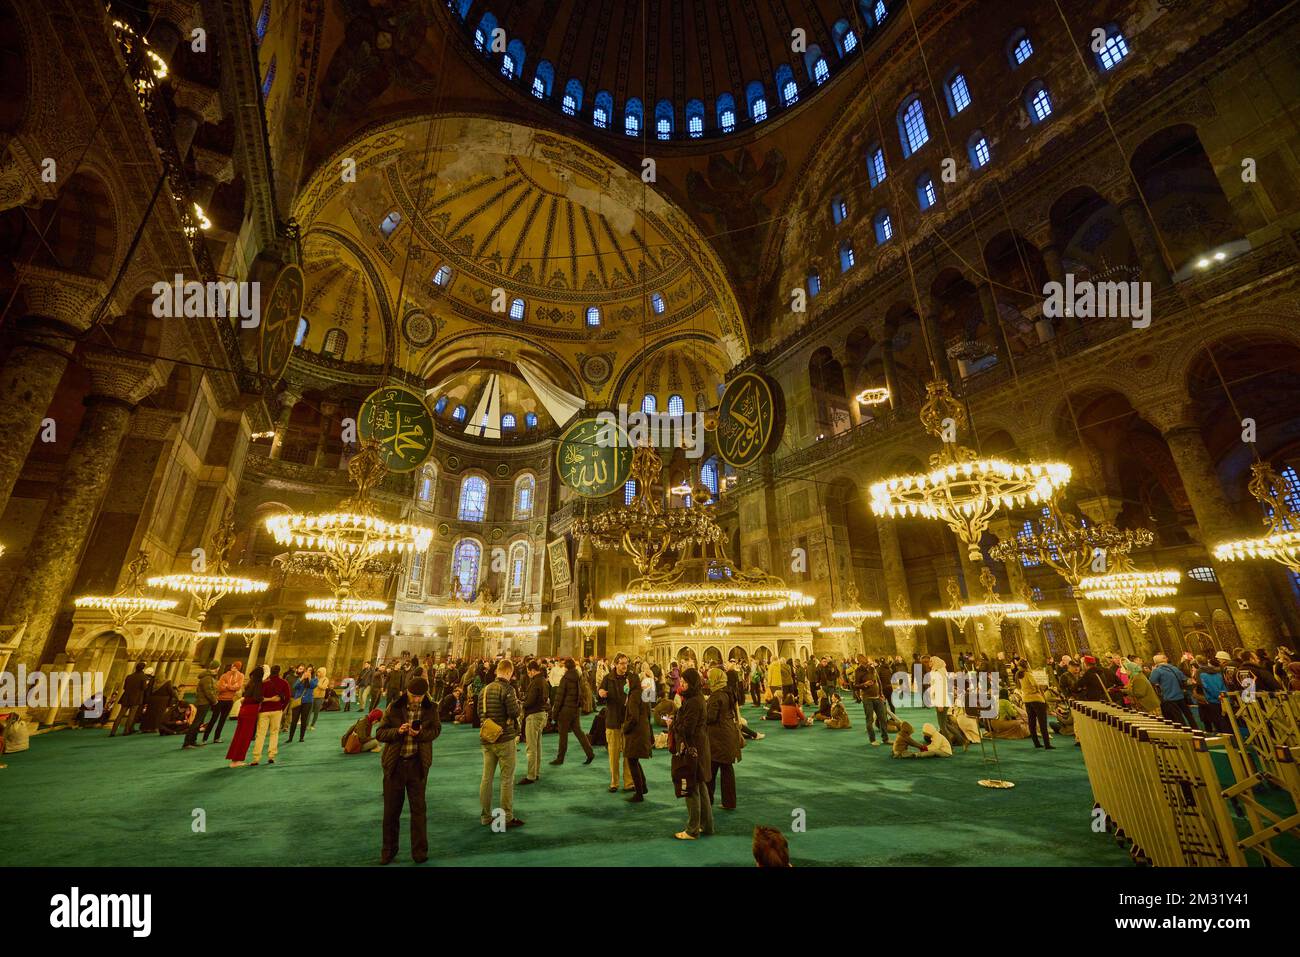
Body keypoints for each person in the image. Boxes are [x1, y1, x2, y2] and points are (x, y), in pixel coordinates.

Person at [376, 676, 440, 864]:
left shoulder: (431, 709)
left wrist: (420, 735)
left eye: (420, 697)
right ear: (407, 693)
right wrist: (398, 732)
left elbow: (436, 731)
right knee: (391, 812)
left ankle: (419, 852)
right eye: (413, 696)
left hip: (417, 766)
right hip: (395, 765)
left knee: (419, 811)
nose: (416, 700)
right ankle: (388, 850)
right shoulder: (394, 707)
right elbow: (379, 733)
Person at [479, 658, 524, 829]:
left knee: (486, 778)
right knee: (506, 779)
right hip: (504, 738)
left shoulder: (485, 689)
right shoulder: (508, 689)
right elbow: (513, 712)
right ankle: (506, 817)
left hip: (487, 739)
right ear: (508, 672)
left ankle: (485, 816)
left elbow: (479, 713)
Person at [672, 667, 714, 840]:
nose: (682, 684)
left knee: (691, 789)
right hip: (700, 747)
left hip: (692, 748)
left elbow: (687, 729)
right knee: (701, 786)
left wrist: (674, 723)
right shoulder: (696, 699)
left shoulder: (693, 702)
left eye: (684, 682)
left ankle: (692, 829)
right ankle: (707, 825)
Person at [599, 653, 636, 793]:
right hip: (613, 720)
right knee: (613, 754)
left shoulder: (631, 678)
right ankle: (614, 782)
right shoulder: (608, 678)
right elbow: (600, 696)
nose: (624, 666)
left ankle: (629, 782)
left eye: (626, 663)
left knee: (628, 753)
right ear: (615, 664)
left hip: (627, 721)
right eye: (621, 663)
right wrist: (601, 693)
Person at [705, 667, 739, 810]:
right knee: (727, 770)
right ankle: (729, 802)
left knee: (710, 770)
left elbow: (711, 718)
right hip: (728, 734)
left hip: (718, 737)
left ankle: (707, 800)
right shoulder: (728, 692)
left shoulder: (716, 696)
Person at [550, 657, 594, 766]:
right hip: (575, 708)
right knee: (579, 732)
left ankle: (560, 758)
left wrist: (554, 714)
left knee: (563, 735)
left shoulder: (565, 679)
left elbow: (559, 698)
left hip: (565, 710)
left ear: (566, 667)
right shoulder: (578, 676)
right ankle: (590, 753)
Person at [622, 669, 654, 802]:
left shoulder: (634, 695)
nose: (627, 684)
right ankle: (643, 787)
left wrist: (625, 728)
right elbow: (647, 713)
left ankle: (639, 793)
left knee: (631, 760)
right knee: (634, 760)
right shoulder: (641, 693)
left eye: (628, 682)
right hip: (643, 730)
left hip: (636, 732)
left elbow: (633, 717)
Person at [250, 664, 290, 765]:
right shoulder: (284, 683)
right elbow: (288, 697)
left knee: (260, 734)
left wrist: (267, 700)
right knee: (274, 733)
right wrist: (281, 706)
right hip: (277, 710)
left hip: (264, 711)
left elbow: (259, 697)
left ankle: (256, 757)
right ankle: (271, 755)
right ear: (279, 671)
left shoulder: (265, 683)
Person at [225, 667, 264, 767]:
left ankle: (234, 759)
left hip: (243, 710)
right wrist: (264, 698)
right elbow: (256, 698)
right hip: (250, 711)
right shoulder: (258, 684)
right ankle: (238, 760)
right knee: (245, 737)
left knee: (238, 735)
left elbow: (246, 697)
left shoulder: (250, 683)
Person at [519, 659, 548, 786]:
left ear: (532, 670)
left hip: (534, 715)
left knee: (531, 747)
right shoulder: (543, 681)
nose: (528, 674)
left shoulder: (536, 682)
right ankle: (536, 772)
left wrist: (522, 704)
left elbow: (530, 701)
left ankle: (531, 775)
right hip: (541, 714)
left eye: (528, 671)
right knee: (537, 746)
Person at [1149, 653, 1198, 728]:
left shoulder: (1157, 670)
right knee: (1188, 715)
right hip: (1180, 695)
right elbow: (1183, 678)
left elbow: (1152, 680)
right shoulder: (1173, 668)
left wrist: (1153, 671)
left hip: (1170, 697)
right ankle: (1196, 729)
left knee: (1178, 718)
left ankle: (1186, 733)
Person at [182, 660, 221, 750]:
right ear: (216, 667)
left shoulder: (209, 677)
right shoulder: (207, 678)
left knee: (199, 722)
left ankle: (192, 741)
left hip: (204, 702)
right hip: (203, 702)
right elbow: (209, 691)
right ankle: (187, 742)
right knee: (196, 723)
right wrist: (215, 701)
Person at [854, 655, 889, 746]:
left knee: (883, 719)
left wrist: (881, 694)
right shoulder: (858, 671)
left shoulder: (872, 668)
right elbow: (855, 686)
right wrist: (864, 684)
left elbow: (878, 681)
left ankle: (885, 739)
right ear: (859, 661)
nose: (866, 661)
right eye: (863, 660)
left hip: (878, 697)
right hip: (867, 698)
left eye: (866, 660)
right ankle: (872, 740)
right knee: (869, 720)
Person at [110, 661, 151, 737]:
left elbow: (124, 687)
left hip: (126, 697)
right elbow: (144, 688)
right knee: (131, 715)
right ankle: (126, 731)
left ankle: (113, 731)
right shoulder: (143, 677)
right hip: (136, 697)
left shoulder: (129, 676)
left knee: (120, 715)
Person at [205, 661, 242, 743]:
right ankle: (205, 738)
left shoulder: (240, 676)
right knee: (213, 719)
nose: (234, 668)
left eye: (236, 667)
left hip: (229, 701)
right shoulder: (224, 675)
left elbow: (238, 687)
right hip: (220, 700)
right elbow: (220, 688)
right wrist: (231, 687)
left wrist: (227, 686)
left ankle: (216, 738)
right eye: (233, 666)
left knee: (222, 720)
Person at [1018, 665, 1052, 749]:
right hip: (1036, 699)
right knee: (1042, 722)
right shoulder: (1028, 674)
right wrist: (1037, 689)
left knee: (1031, 722)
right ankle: (1047, 744)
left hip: (1026, 700)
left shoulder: (1018, 675)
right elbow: (1035, 684)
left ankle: (1036, 743)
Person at [289, 667, 318, 741]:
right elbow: (294, 686)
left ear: (312, 672)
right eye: (307, 670)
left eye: (310, 671)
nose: (308, 672)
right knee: (294, 720)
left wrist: (309, 678)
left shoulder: (314, 679)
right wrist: (302, 678)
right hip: (298, 701)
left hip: (307, 701)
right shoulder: (300, 678)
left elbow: (313, 686)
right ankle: (290, 738)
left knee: (304, 720)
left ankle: (301, 737)